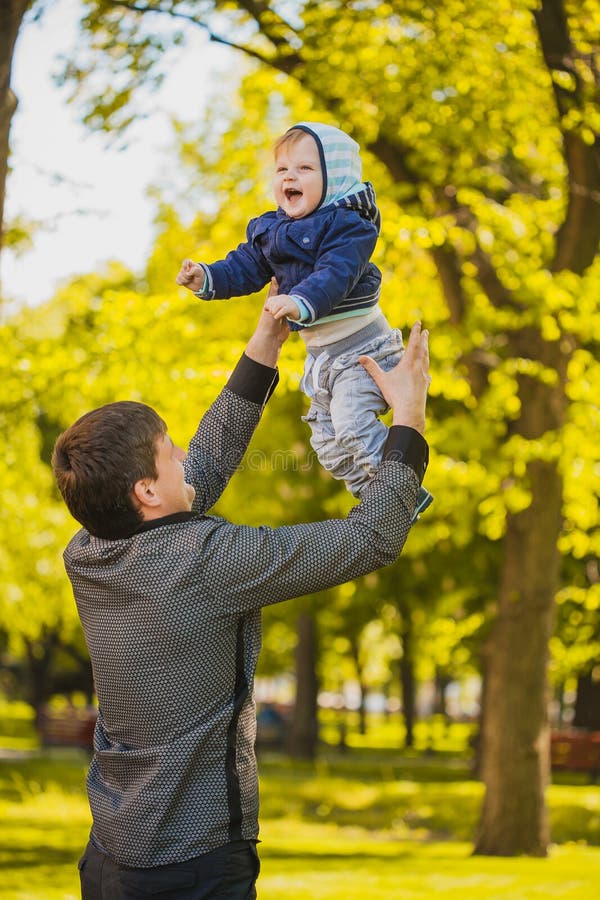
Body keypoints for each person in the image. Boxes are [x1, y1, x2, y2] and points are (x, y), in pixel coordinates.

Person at [52, 297, 430, 899]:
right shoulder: (205, 562)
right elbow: (372, 537)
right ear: (146, 490)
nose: (183, 456)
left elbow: (198, 473)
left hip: (110, 858)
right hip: (191, 866)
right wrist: (407, 417)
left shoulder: (89, 548)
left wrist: (265, 346)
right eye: (168, 451)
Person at [176, 121, 433, 521]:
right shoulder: (271, 229)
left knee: (350, 423)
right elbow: (244, 265)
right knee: (327, 444)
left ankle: (403, 491)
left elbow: (336, 273)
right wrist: (206, 278)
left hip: (363, 349)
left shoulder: (349, 225)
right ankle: (379, 503)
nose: (289, 177)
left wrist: (299, 302)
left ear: (335, 178)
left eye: (305, 169)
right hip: (322, 359)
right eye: (282, 170)